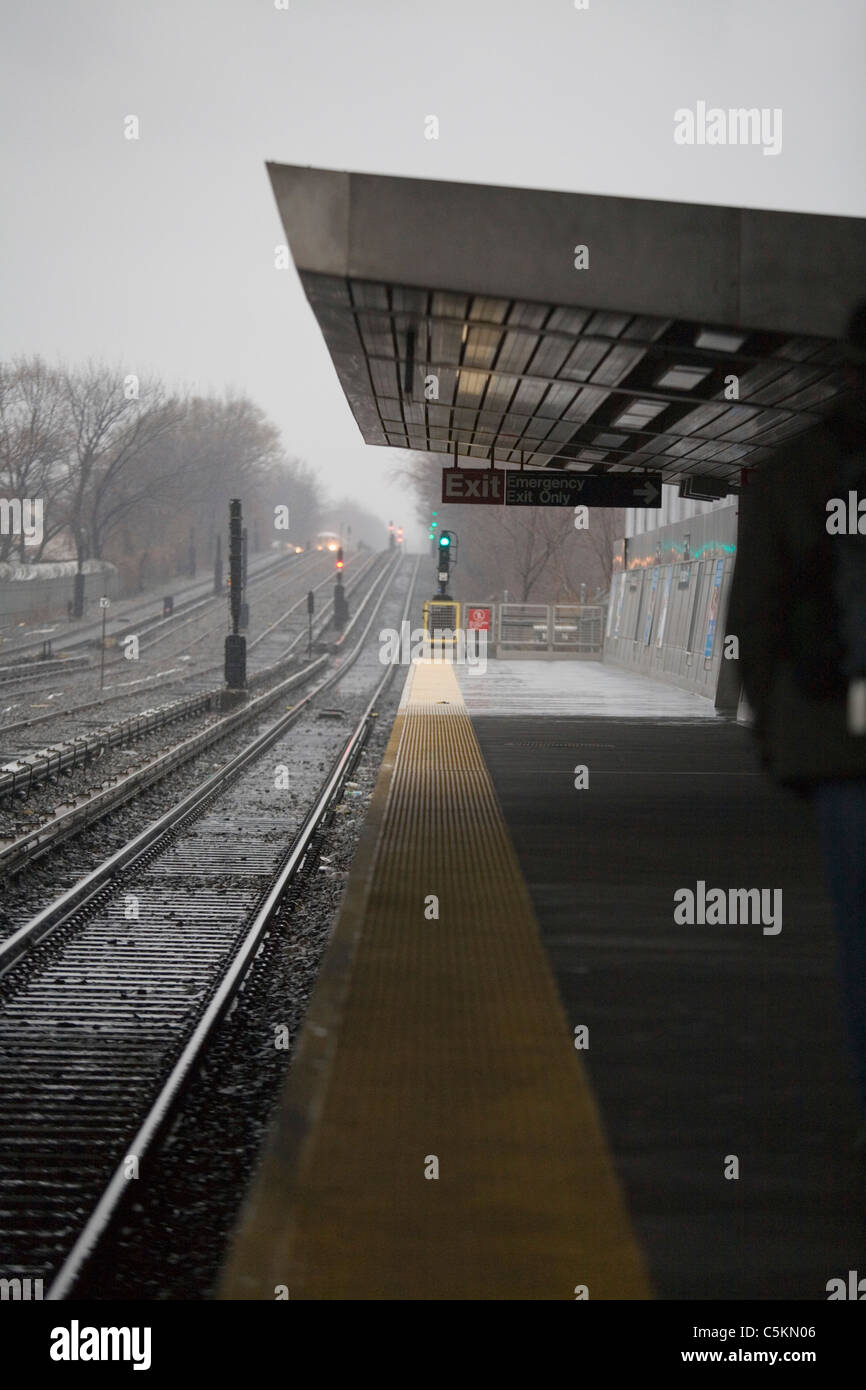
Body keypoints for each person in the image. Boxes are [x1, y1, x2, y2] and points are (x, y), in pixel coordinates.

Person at [727, 300, 866, 1133]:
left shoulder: (793, 471)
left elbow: (757, 619)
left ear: (846, 370)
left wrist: (775, 737)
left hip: (840, 747)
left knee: (860, 943)